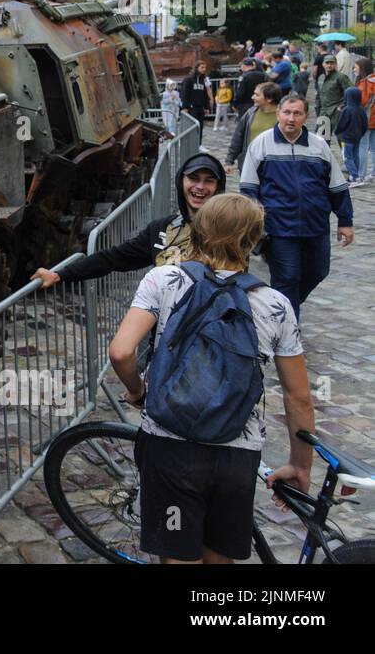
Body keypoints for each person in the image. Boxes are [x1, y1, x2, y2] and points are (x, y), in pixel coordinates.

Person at [108, 193, 315, 564]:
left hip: (171, 448)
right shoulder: (276, 304)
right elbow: (298, 397)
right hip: (237, 453)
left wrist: (138, 391)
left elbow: (121, 352)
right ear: (254, 240)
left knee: (176, 556)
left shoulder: (164, 280)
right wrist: (300, 466)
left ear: (198, 231)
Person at [30, 153, 225, 289]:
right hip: (168, 334)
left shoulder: (229, 228)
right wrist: (60, 274)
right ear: (181, 181)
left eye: (209, 180)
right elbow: (113, 258)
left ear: (218, 187)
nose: (200, 186)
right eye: (193, 178)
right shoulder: (161, 229)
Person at [239, 93, 354, 320]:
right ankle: (288, 329)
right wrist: (257, 224)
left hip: (316, 226)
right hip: (280, 228)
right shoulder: (261, 144)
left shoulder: (318, 146)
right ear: (278, 114)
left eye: (297, 113)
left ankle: (281, 307)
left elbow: (337, 186)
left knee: (318, 271)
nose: (291, 118)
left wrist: (345, 221)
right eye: (287, 112)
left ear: (306, 116)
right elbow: (249, 189)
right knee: (287, 278)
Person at [226, 81, 281, 172]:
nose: (252, 97)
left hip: (273, 168)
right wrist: (229, 161)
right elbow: (238, 137)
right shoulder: (250, 113)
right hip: (250, 165)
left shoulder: (283, 117)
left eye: (257, 95)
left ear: (269, 98)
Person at [316, 54, 351, 142]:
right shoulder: (321, 78)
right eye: (327, 63)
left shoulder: (341, 77)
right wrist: (317, 108)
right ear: (323, 64)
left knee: (341, 139)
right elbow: (319, 95)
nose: (329, 65)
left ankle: (345, 156)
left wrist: (342, 107)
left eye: (332, 63)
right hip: (324, 113)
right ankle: (325, 156)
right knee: (322, 140)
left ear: (335, 64)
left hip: (337, 112)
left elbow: (351, 93)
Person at [337, 86, 367, 182]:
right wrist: (361, 134)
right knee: (355, 156)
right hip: (357, 138)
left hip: (346, 138)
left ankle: (354, 176)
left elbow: (341, 124)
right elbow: (365, 124)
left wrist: (337, 131)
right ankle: (354, 175)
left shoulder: (347, 110)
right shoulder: (361, 109)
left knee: (347, 157)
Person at [179, 60, 213, 140]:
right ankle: (191, 145)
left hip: (200, 108)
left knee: (200, 126)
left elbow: (205, 94)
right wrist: (185, 107)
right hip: (191, 108)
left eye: (205, 68)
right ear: (196, 68)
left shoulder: (202, 80)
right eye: (202, 67)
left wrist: (207, 107)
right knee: (192, 127)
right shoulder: (188, 79)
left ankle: (199, 144)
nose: (204, 69)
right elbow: (184, 93)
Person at [356, 57, 375, 185]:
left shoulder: (364, 83)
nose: (354, 69)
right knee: (374, 148)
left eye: (356, 67)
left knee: (362, 146)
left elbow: (362, 101)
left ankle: (360, 175)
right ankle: (373, 173)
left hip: (366, 119)